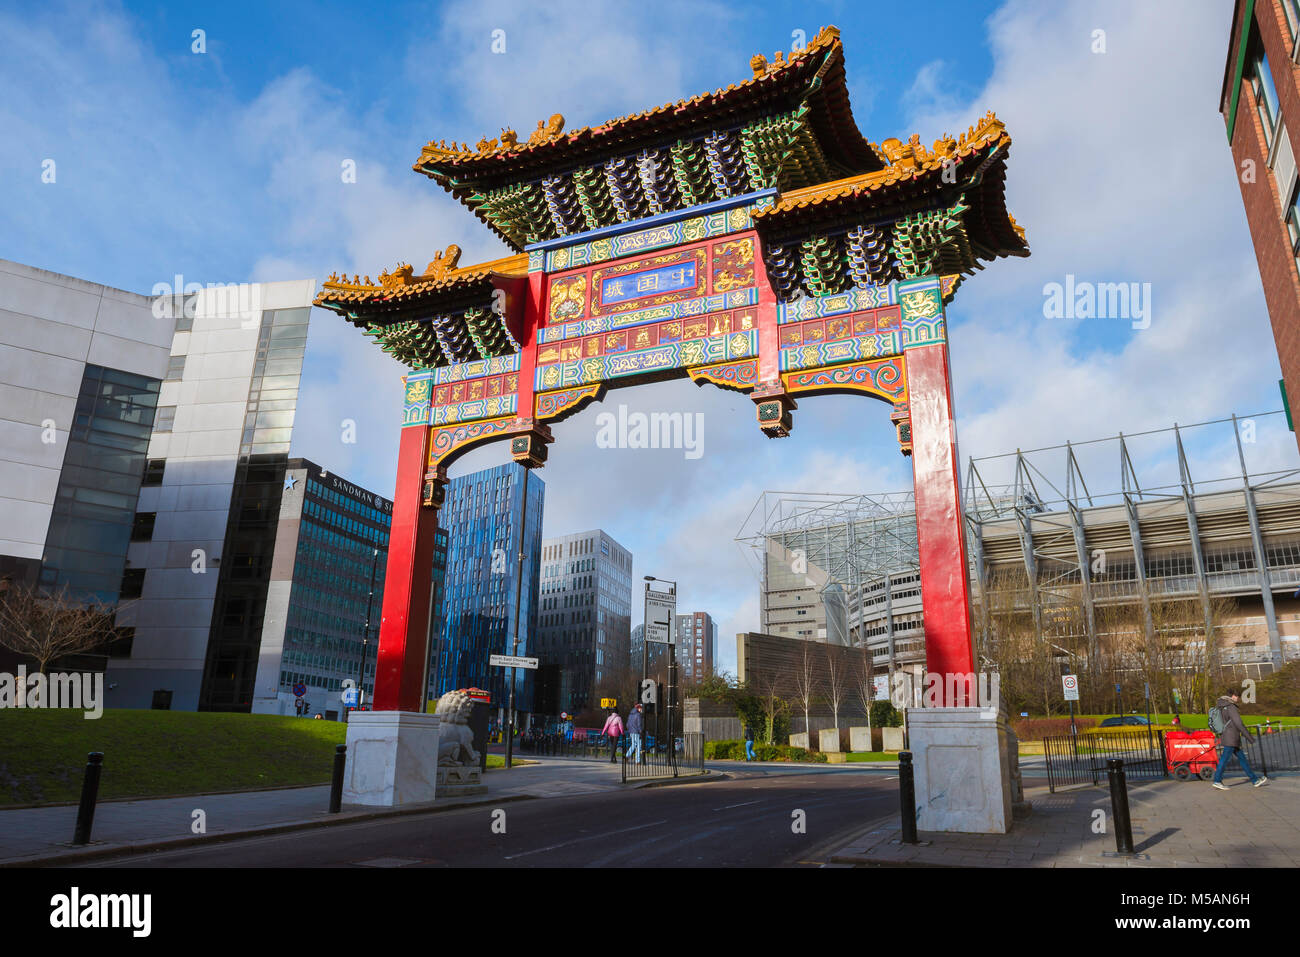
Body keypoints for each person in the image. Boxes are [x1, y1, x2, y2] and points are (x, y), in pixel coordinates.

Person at [1211, 688, 1268, 790]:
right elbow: (1238, 723)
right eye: (1237, 696)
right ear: (1233, 696)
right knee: (1224, 760)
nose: (1238, 698)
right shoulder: (1230, 706)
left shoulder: (1221, 705)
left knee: (1242, 760)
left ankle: (1255, 780)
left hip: (1228, 736)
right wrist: (1249, 737)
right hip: (1232, 738)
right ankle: (1217, 780)